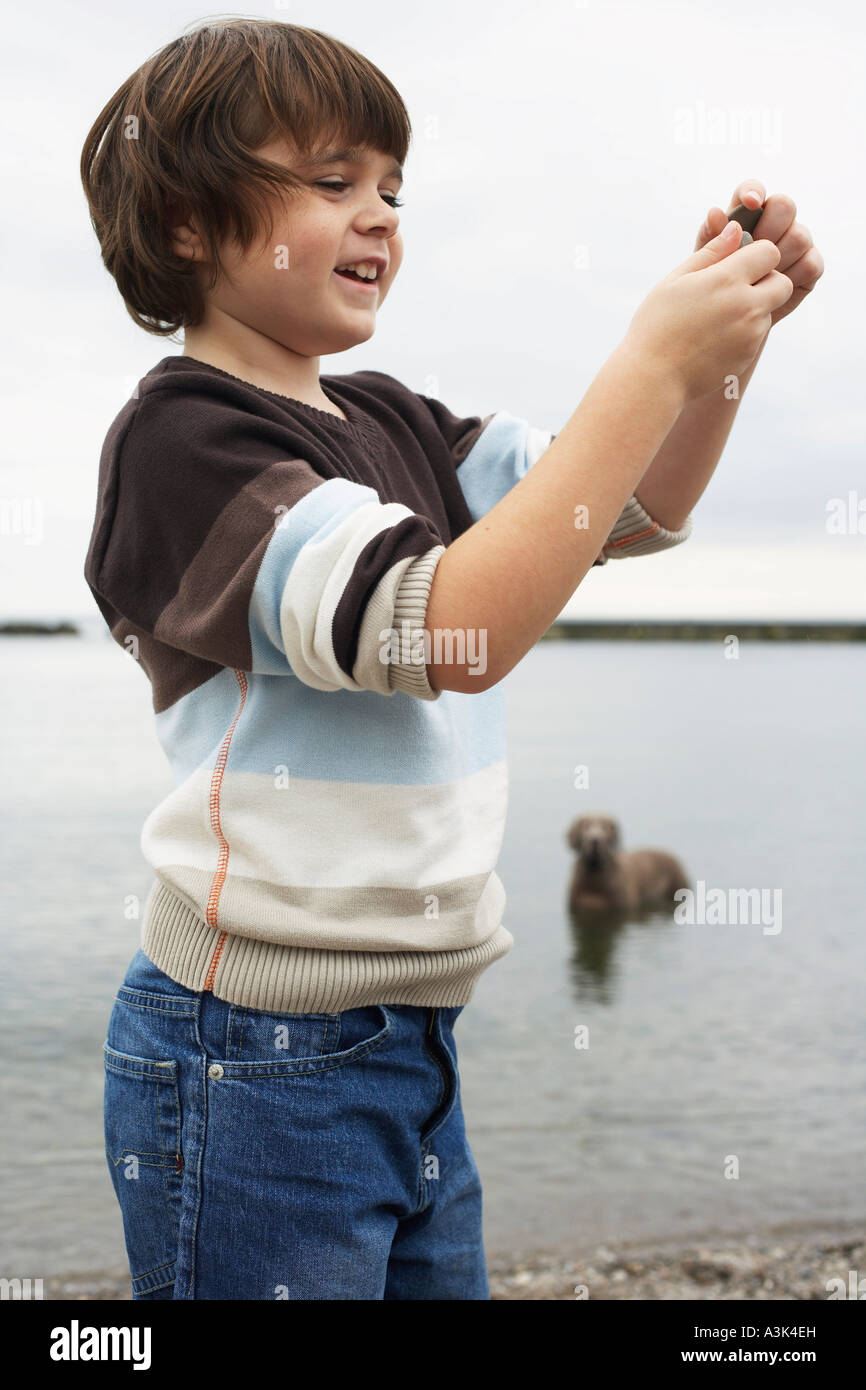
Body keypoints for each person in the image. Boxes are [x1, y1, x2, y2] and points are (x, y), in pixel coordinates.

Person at [79, 17, 817, 1300]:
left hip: (413, 1037)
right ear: (190, 223)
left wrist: (717, 366)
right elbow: (447, 630)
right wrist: (651, 358)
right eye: (330, 182)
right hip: (254, 1055)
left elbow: (615, 515)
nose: (379, 216)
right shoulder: (184, 444)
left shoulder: (390, 419)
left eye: (390, 188)